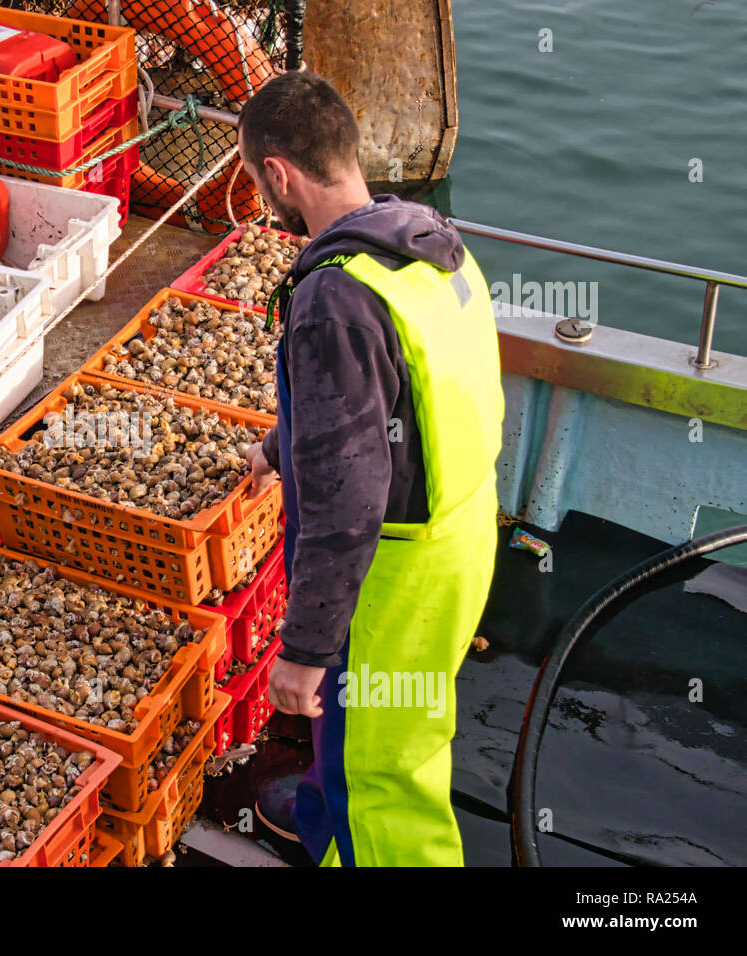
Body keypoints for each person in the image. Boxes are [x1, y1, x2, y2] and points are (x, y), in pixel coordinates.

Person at [236, 71, 504, 866]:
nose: (262, 200)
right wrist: (281, 446)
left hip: (391, 575)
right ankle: (323, 804)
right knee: (401, 724)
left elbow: (349, 503)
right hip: (461, 538)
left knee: (382, 776)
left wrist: (305, 651)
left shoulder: (333, 296)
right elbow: (406, 400)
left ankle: (364, 828)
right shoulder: (428, 240)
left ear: (279, 175)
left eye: (257, 183)